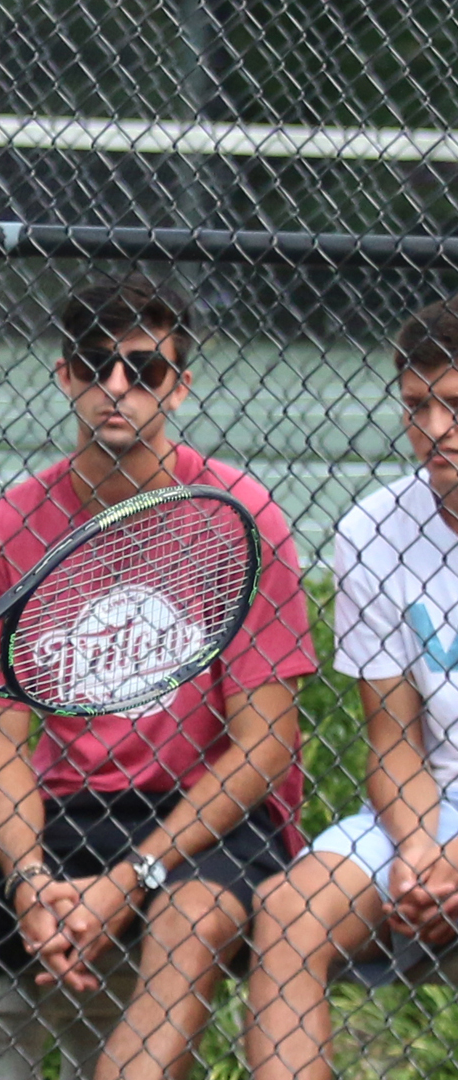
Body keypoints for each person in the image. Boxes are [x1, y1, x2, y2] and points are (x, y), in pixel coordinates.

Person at [0, 273, 317, 1080]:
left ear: (181, 385)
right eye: (94, 367)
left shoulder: (241, 514)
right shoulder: (11, 523)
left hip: (203, 824)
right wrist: (28, 882)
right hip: (56, 821)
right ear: (64, 378)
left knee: (187, 923)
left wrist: (133, 879)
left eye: (144, 369)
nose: (116, 388)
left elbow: (266, 748)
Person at [246, 295, 458, 1080]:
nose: (434, 430)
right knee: (287, 911)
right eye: (416, 407)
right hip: (426, 811)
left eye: (455, 406)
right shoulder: (373, 528)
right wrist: (419, 854)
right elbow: (394, 739)